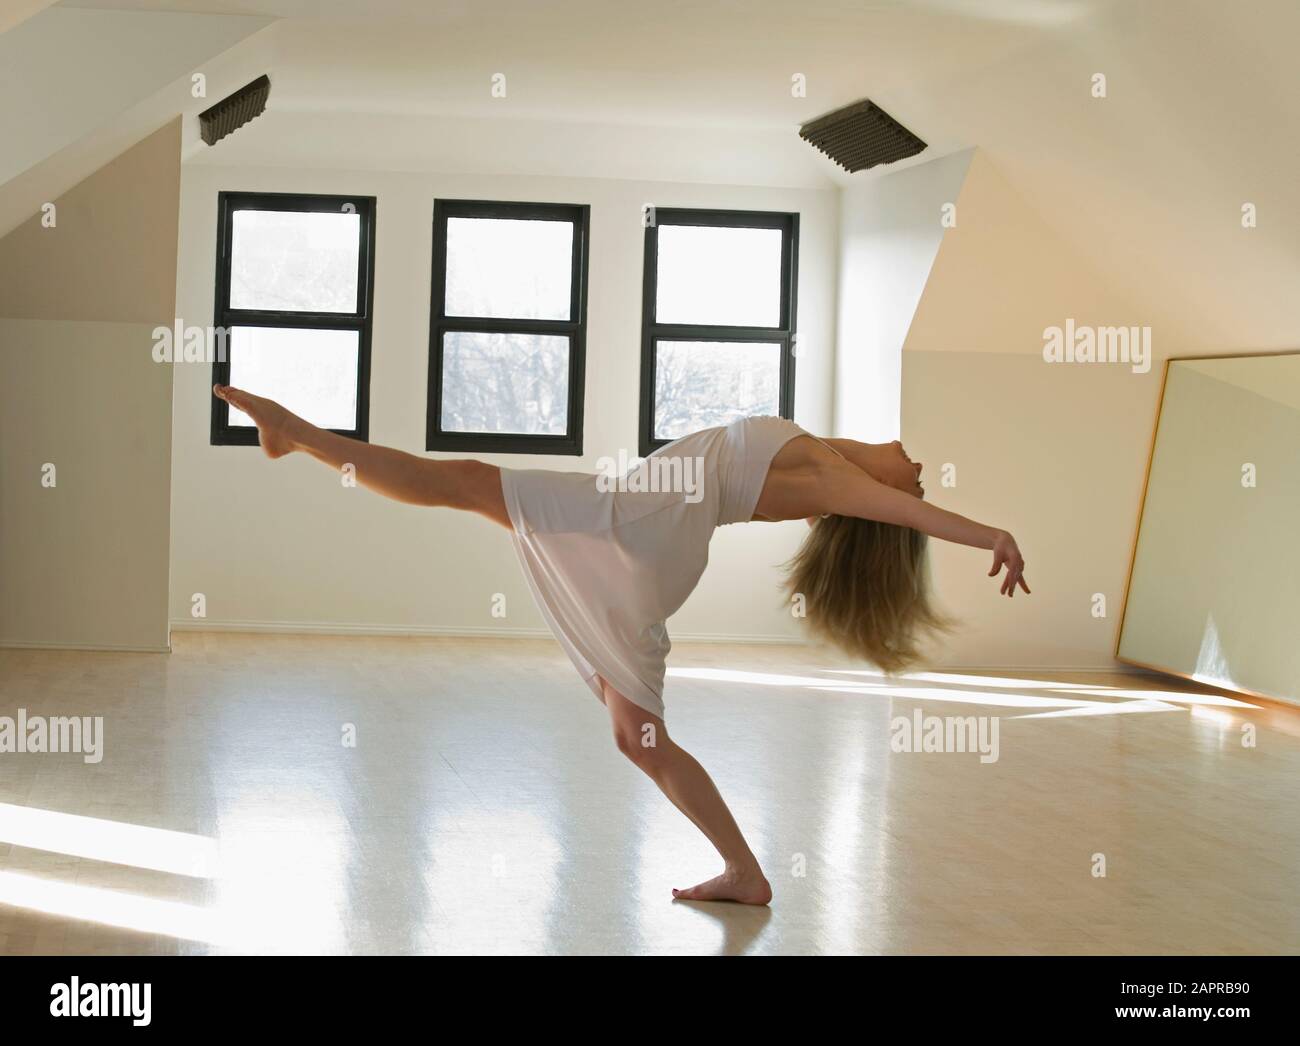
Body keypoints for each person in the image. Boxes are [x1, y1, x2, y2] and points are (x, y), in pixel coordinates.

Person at [211, 384, 1029, 905]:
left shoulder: (831, 476)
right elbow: (869, 496)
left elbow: (903, 511)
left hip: (631, 517)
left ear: (878, 495)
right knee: (636, 736)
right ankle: (742, 872)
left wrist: (986, 532)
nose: (920, 469)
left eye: (915, 482)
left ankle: (300, 435)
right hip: (650, 540)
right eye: (920, 475)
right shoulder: (823, 467)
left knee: (461, 482)